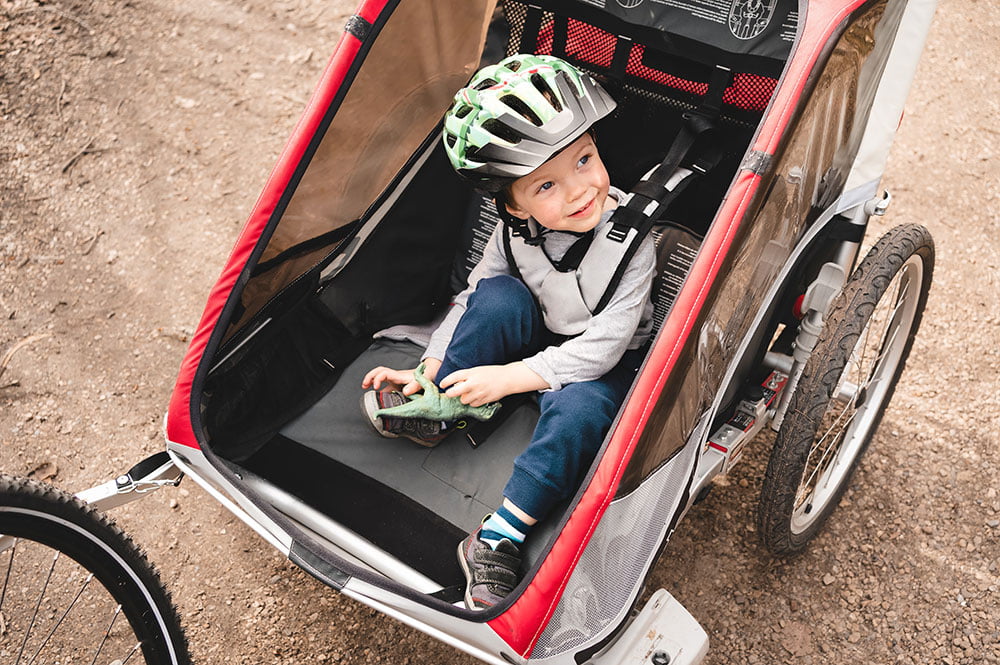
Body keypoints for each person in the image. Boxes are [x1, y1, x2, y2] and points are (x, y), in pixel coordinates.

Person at [360, 54, 655, 611]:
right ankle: (441, 402)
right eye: (546, 185)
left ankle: (498, 537)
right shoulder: (513, 232)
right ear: (511, 204)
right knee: (497, 299)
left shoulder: (634, 243)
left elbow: (605, 347)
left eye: (585, 160)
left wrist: (510, 379)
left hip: (597, 363)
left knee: (586, 411)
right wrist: (429, 365)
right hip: (536, 333)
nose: (578, 191)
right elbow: (477, 295)